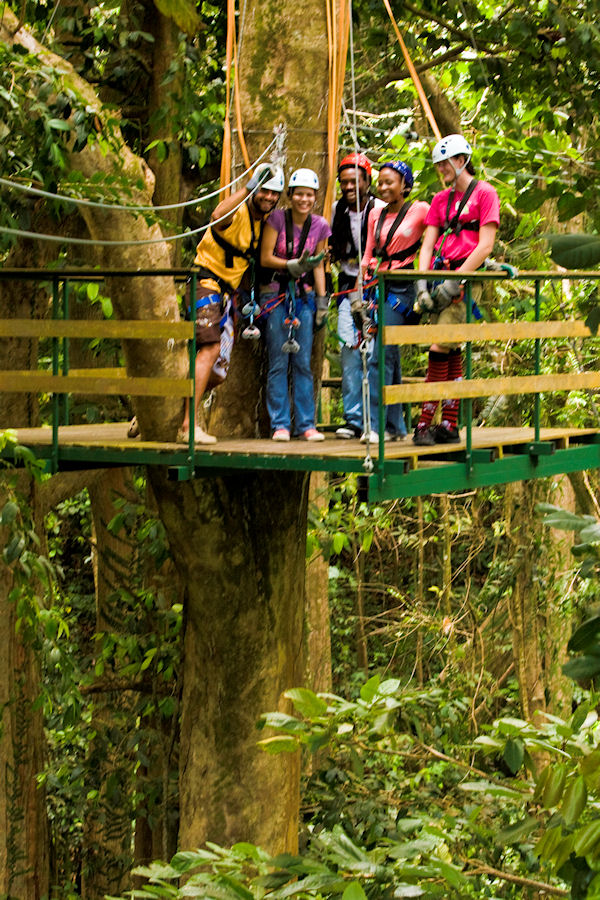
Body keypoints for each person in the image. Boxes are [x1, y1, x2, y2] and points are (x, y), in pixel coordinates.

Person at [179, 162, 284, 443]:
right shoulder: (236, 212)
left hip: (228, 295)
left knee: (219, 372)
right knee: (210, 348)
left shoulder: (266, 224)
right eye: (264, 191)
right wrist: (247, 188)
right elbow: (217, 214)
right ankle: (189, 426)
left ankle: (168, 403)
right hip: (205, 284)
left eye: (274, 194)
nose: (269, 198)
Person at [412, 134, 500, 446]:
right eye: (438, 166)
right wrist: (423, 283)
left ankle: (424, 423)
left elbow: (485, 245)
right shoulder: (439, 200)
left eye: (444, 165)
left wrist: (457, 280)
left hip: (465, 281)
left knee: (438, 346)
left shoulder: (485, 194)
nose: (441, 171)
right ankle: (449, 425)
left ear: (460, 161)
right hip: (439, 276)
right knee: (449, 349)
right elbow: (427, 244)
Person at [358, 160, 429, 443]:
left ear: (404, 185)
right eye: (381, 182)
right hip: (378, 286)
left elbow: (444, 230)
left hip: (404, 289)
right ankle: (396, 427)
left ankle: (374, 426)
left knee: (380, 356)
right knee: (391, 356)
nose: (383, 187)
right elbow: (368, 253)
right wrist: (361, 289)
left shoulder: (420, 210)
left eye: (390, 182)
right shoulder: (376, 214)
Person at [259, 167, 331, 441]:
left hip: (304, 298)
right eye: (299, 194)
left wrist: (322, 303)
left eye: (309, 195)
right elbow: (266, 257)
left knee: (302, 362)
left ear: (314, 197)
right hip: (276, 295)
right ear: (290, 195)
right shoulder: (276, 219)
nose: (304, 199)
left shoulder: (321, 226)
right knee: (278, 361)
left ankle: (306, 424)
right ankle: (280, 424)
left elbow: (319, 266)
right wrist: (291, 264)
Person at [329, 153, 384, 439]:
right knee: (349, 351)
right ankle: (353, 419)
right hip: (347, 286)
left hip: (374, 286)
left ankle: (374, 421)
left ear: (366, 181)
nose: (349, 187)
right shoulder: (337, 210)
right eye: (344, 181)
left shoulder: (381, 209)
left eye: (355, 181)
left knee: (373, 354)